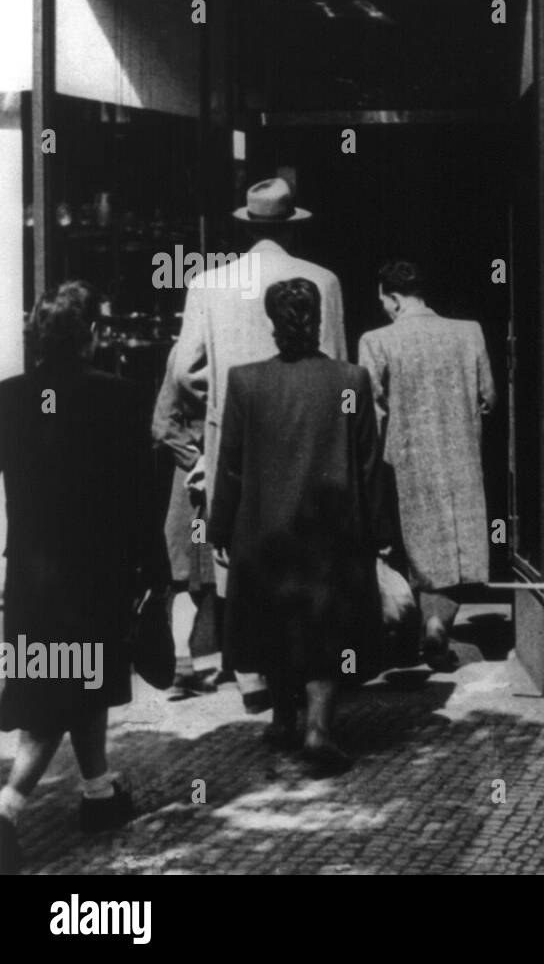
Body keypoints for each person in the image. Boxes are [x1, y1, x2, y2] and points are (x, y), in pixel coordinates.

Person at [0, 282, 159, 875]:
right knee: (62, 693)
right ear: (91, 335)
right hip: (95, 577)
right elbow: (141, 497)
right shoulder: (119, 398)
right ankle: (8, 810)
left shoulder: (9, 399)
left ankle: (98, 793)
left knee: (68, 682)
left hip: (33, 576)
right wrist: (153, 570)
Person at [175, 176, 347, 712]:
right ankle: (304, 678)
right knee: (307, 556)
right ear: (293, 229)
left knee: (240, 557)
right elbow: (339, 368)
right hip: (306, 437)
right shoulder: (324, 280)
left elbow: (184, 370)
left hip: (236, 433)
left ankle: (252, 674)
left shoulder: (208, 283)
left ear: (245, 226)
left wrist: (220, 396)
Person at [209, 279, 388, 775]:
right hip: (332, 533)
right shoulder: (350, 382)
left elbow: (232, 466)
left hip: (265, 531)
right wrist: (378, 531)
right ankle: (318, 728)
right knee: (326, 630)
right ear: (319, 319)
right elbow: (367, 461)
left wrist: (219, 528)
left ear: (272, 321)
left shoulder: (246, 383)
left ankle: (284, 717)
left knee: (276, 620)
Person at [358, 259, 496, 662]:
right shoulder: (469, 332)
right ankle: (437, 624)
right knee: (451, 550)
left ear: (395, 300)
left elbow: (371, 409)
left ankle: (414, 631)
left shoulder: (376, 340)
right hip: (460, 460)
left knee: (410, 547)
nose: (384, 308)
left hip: (402, 462)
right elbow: (489, 398)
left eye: (384, 301)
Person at [151, 344, 220, 699]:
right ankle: (252, 677)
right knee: (201, 570)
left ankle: (182, 665)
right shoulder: (236, 341)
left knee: (192, 573)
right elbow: (161, 424)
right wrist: (204, 460)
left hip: (191, 485)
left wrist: (194, 460)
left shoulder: (180, 354)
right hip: (206, 485)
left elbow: (163, 424)